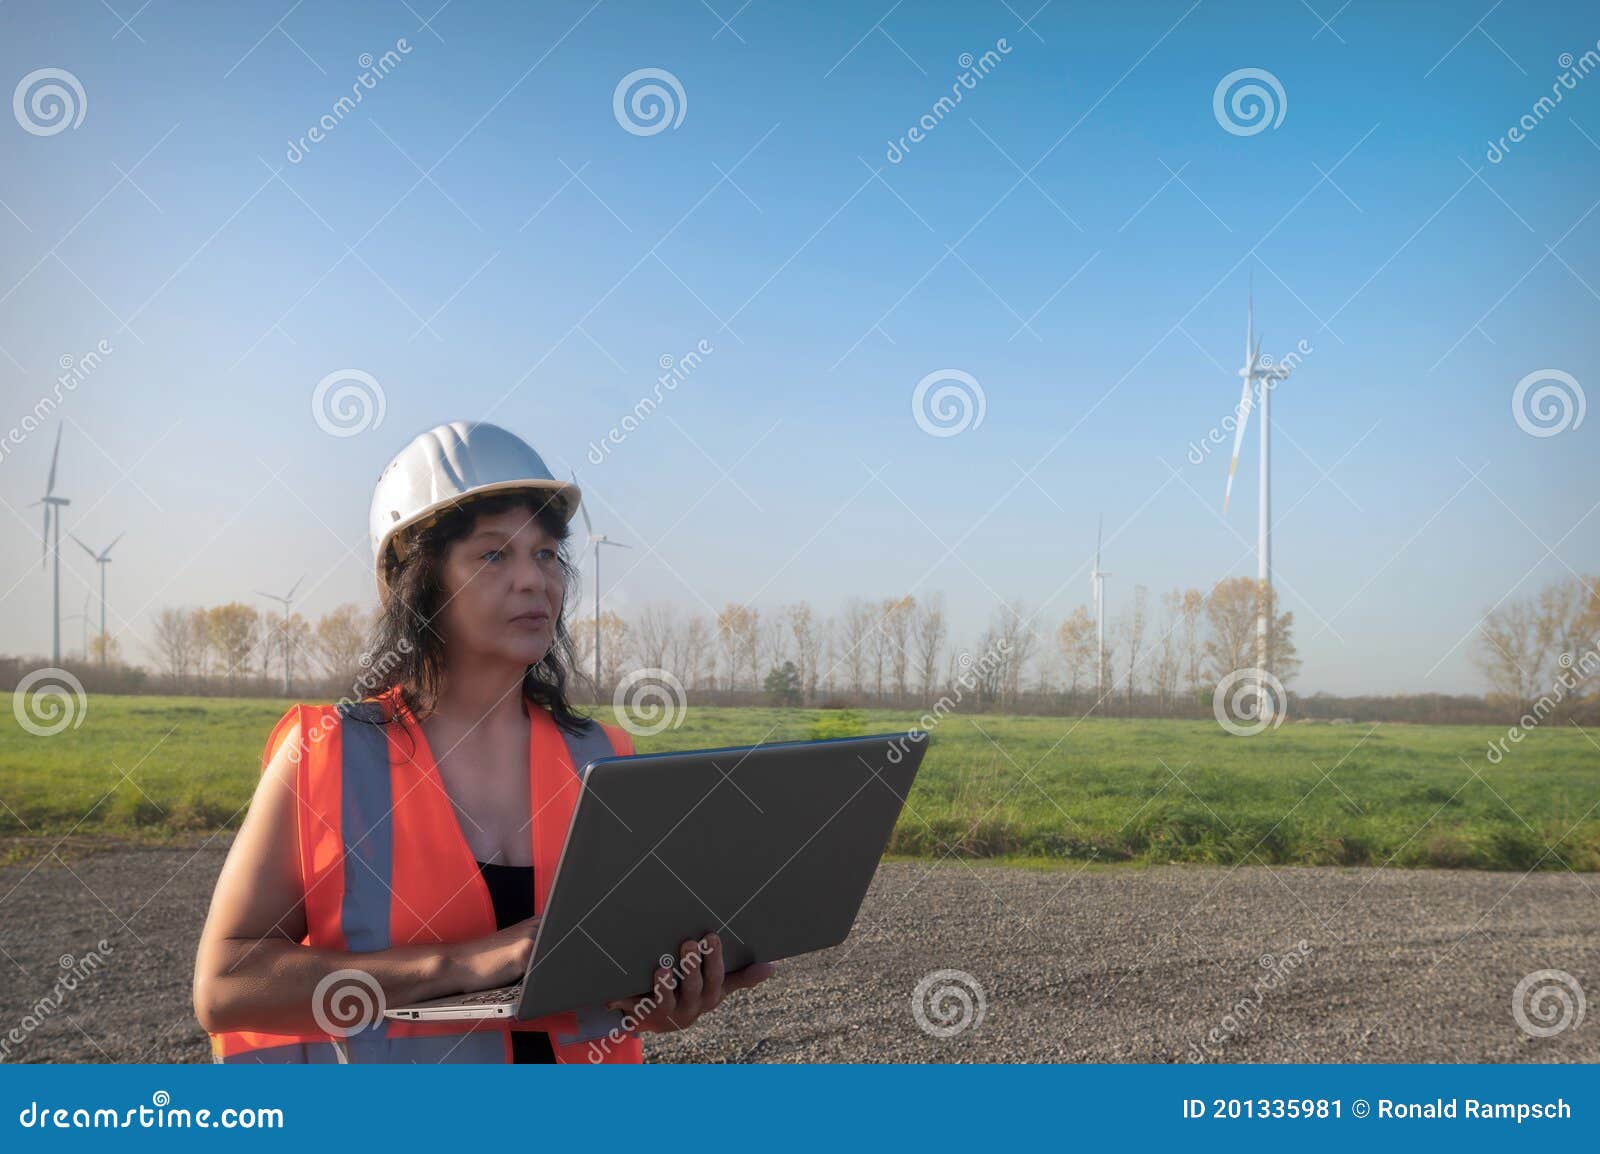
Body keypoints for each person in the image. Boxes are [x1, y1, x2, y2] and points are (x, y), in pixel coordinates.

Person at [193, 420, 773, 1062]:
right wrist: (467, 963)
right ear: (420, 583)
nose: (535, 580)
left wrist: (656, 1003)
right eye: (494, 554)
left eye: (547, 553)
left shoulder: (604, 759)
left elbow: (604, 995)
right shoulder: (324, 754)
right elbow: (225, 986)